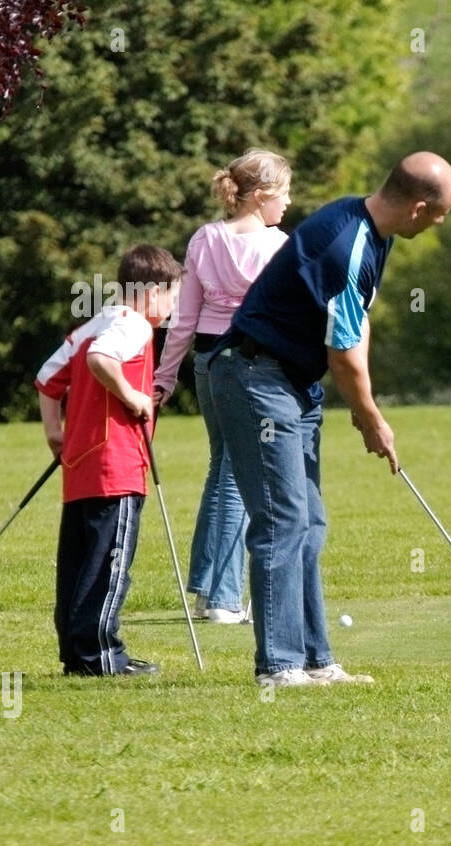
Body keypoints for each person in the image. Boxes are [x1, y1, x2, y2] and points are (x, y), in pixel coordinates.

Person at [209, 152, 451, 687]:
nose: (441, 221)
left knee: (309, 523)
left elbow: (354, 322)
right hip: (256, 376)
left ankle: (316, 660)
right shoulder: (347, 242)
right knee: (282, 520)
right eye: (441, 213)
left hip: (292, 382)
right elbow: (342, 352)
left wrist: (363, 403)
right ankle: (278, 666)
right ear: (419, 208)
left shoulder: (372, 231)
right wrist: (369, 415)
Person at [153, 149, 292, 624]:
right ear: (261, 197)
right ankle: (223, 598)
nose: (289, 203)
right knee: (237, 474)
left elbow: (183, 319)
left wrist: (165, 375)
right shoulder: (278, 246)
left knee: (223, 469)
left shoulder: (205, 237)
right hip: (251, 367)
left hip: (208, 364)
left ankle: (213, 590)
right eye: (285, 193)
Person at [35, 245, 184, 676]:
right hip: (115, 464)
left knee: (79, 565)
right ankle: (101, 656)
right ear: (153, 292)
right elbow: (103, 359)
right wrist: (135, 395)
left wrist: (53, 433)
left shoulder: (96, 322)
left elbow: (47, 379)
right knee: (108, 564)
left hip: (80, 465)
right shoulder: (134, 324)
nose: (173, 307)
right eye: (173, 296)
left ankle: (78, 654)